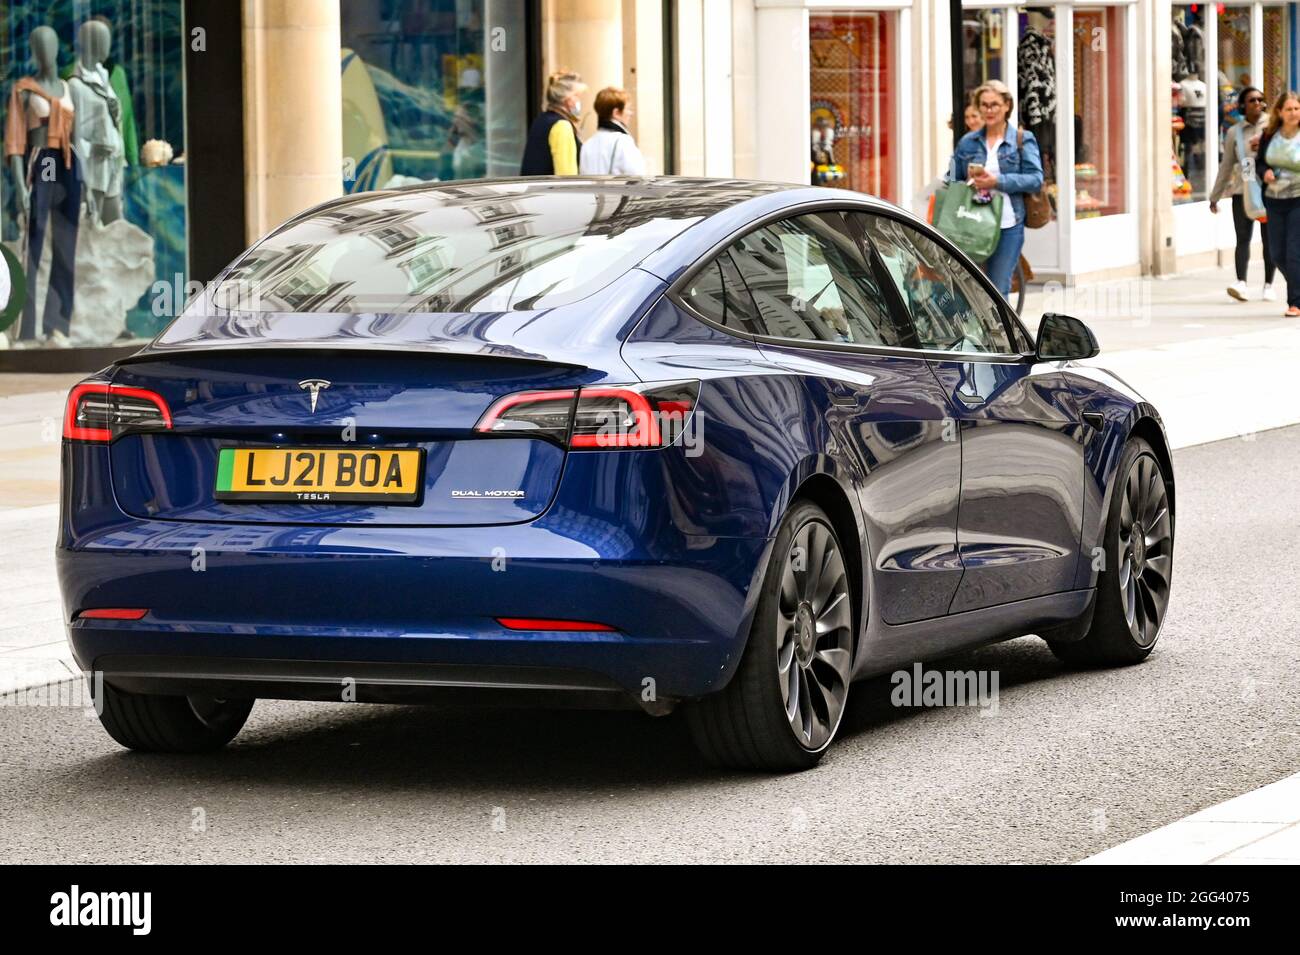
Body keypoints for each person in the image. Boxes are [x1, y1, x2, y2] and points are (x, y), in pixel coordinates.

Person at [949, 79, 1044, 297]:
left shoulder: (1022, 139)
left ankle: (1001, 331)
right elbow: (952, 178)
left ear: (1007, 106)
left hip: (1008, 225)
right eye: (984, 105)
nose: (989, 110)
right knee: (969, 291)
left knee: (998, 290)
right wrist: (966, 184)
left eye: (994, 105)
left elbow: (1035, 179)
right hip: (972, 224)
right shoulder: (967, 142)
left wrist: (997, 182)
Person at [1210, 86, 1274, 302]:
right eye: (1252, 100)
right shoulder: (1234, 132)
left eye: (1260, 100)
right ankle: (1241, 283)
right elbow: (1226, 165)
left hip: (1269, 191)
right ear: (1242, 106)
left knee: (1269, 240)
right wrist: (1215, 195)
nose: (1257, 103)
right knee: (1243, 238)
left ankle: (1268, 285)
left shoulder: (1274, 127)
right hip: (1242, 191)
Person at [1255, 90, 1300, 317]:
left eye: (1297, 109)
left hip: (1298, 200)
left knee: (1293, 252)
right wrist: (1265, 173)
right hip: (1274, 201)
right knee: (1277, 254)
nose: (1294, 113)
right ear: (1280, 112)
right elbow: (1259, 163)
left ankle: (1296, 302)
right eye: (1289, 109)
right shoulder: (1269, 135)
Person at [520, 70, 585, 176]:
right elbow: (566, 175)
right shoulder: (562, 126)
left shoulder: (541, 120)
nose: (579, 101)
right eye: (577, 96)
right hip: (551, 191)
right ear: (568, 99)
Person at [579, 87, 647, 176]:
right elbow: (638, 176)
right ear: (616, 113)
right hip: (617, 190)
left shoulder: (587, 144)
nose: (631, 113)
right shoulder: (623, 141)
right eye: (628, 109)